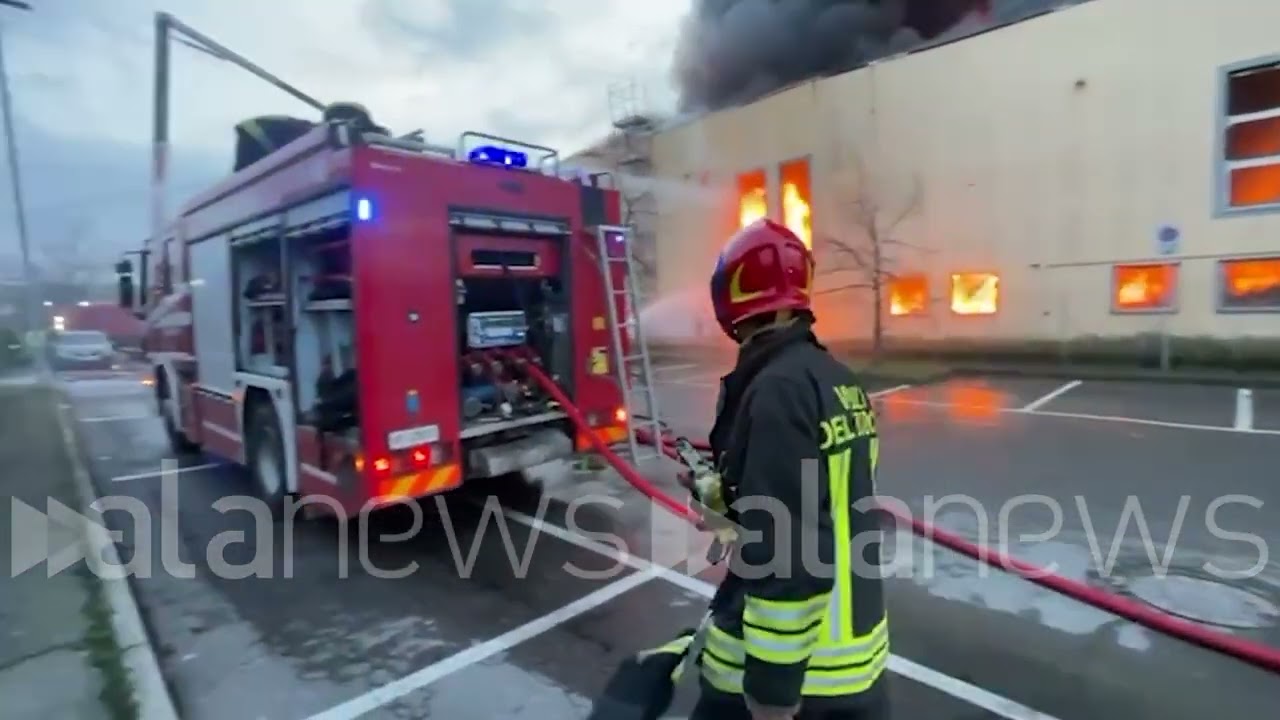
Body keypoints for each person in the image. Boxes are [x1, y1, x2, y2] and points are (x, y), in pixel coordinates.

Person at [688, 218, 890, 720]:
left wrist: (772, 691)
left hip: (801, 676)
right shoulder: (839, 380)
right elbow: (826, 497)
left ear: (730, 295)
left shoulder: (776, 389)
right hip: (857, 654)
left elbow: (788, 543)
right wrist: (724, 503)